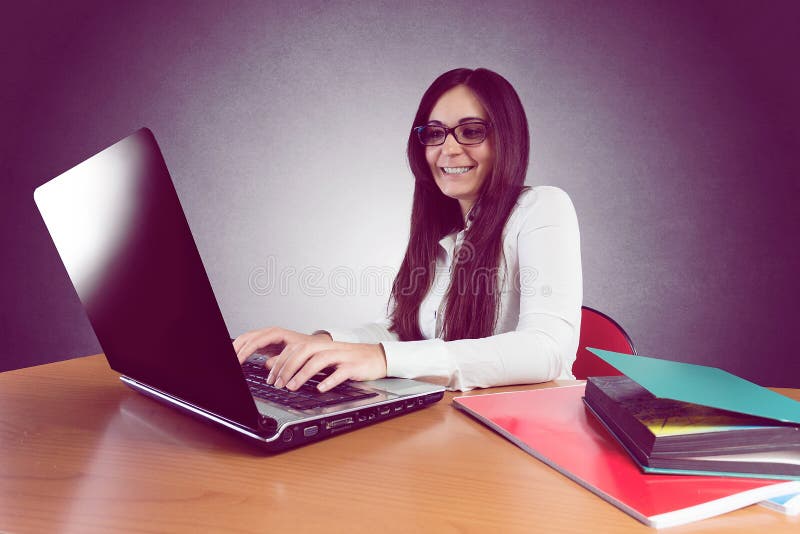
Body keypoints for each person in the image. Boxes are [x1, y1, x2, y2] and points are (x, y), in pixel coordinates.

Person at [233, 67, 582, 392]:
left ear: (507, 138)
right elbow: (408, 332)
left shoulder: (542, 207)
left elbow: (547, 349)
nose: (448, 148)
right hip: (455, 421)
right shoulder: (442, 231)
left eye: (471, 131)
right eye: (434, 133)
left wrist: (384, 359)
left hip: (524, 432)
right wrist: (323, 343)